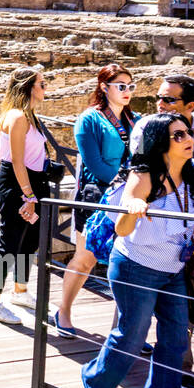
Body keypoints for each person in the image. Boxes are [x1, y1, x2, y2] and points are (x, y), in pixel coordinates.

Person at [81, 114, 194, 388]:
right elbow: (122, 225)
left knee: (173, 341)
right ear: (160, 142)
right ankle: (96, 382)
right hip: (135, 267)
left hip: (173, 269)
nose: (189, 139)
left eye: (189, 133)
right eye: (179, 135)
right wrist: (133, 208)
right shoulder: (145, 176)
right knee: (132, 336)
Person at [58, 65, 137, 336]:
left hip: (129, 198)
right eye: (121, 86)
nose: (127, 91)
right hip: (98, 196)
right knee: (85, 259)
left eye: (130, 86)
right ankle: (62, 310)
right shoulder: (89, 119)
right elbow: (95, 164)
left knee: (125, 262)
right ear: (104, 87)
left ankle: (125, 330)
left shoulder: (134, 120)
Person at [0, 67, 50, 324]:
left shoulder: (30, 116)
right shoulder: (17, 117)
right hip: (17, 184)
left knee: (28, 242)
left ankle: (20, 291)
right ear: (28, 87)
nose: (46, 88)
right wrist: (29, 196)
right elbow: (18, 162)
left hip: (32, 183)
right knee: (9, 243)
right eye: (42, 84)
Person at [132, 74, 194, 168]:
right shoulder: (145, 126)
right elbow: (139, 162)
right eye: (158, 98)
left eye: (168, 99)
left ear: (190, 106)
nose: (160, 104)